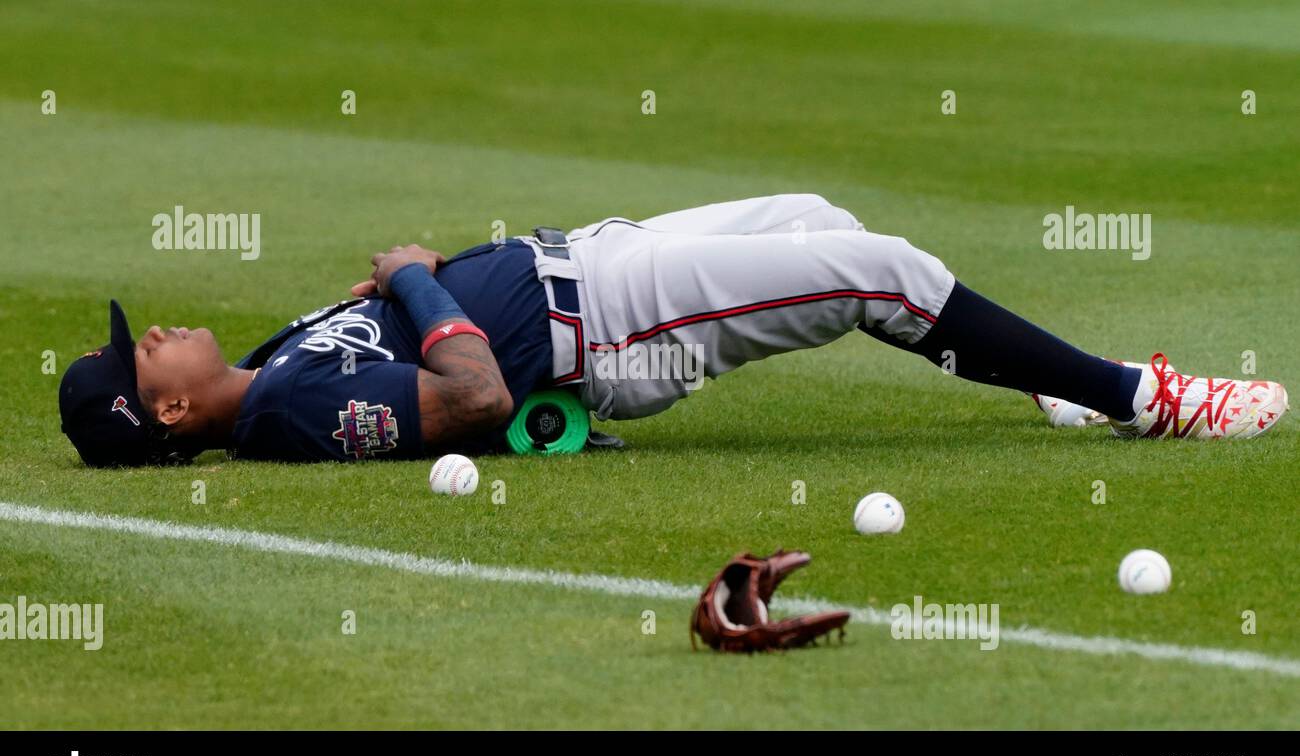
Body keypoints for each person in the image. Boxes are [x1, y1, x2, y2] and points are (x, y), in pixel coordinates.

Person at [58, 194, 1289, 466]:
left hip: (592, 262)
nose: (154, 329)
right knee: (891, 276)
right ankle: (1141, 396)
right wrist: (420, 277)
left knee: (816, 212)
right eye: (142, 351)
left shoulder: (269, 361)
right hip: (611, 324)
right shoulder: (279, 412)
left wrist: (404, 283)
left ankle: (1052, 384)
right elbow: (477, 396)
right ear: (165, 407)